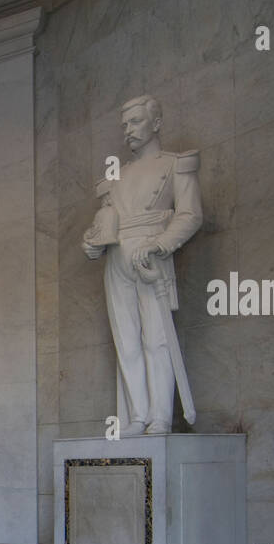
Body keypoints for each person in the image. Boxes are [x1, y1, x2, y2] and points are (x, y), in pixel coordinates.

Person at [83, 95, 202, 435]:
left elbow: (190, 214)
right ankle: (138, 414)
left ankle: (161, 415)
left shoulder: (175, 164)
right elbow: (105, 225)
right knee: (127, 340)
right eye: (124, 125)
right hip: (117, 260)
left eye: (135, 122)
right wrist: (92, 244)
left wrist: (161, 244)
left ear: (156, 123)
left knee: (156, 337)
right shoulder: (116, 178)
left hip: (151, 256)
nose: (128, 130)